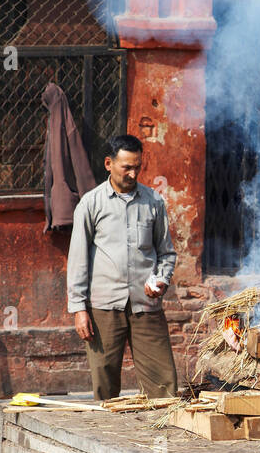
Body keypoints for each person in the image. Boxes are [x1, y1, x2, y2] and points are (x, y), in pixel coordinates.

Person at [67, 134, 178, 400]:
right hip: (104, 308)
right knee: (104, 385)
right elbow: (78, 260)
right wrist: (78, 309)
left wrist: (161, 279)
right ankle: (106, 437)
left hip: (146, 305)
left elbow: (167, 253)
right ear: (109, 164)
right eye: (126, 167)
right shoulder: (91, 204)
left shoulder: (153, 202)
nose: (132, 173)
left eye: (137, 167)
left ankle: (162, 439)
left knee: (164, 384)